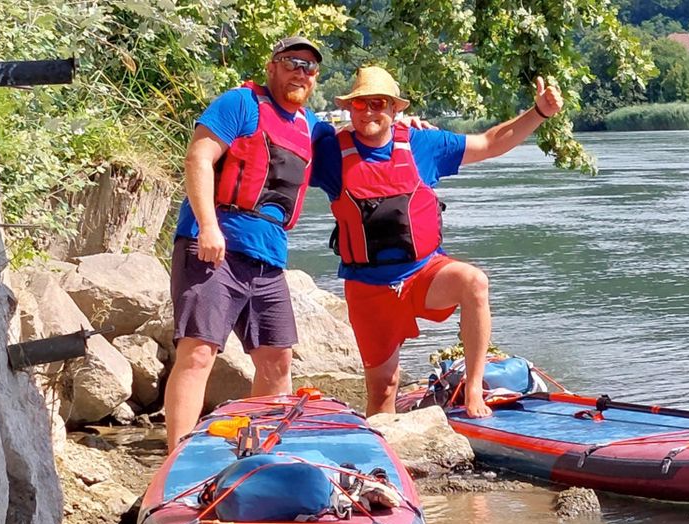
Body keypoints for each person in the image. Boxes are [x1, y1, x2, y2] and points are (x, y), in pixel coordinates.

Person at [311, 66, 564, 418]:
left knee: (473, 281)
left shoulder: (422, 144)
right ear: (349, 109)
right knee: (383, 388)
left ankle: (474, 389)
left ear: (394, 109)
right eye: (359, 105)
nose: (368, 111)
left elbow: (490, 143)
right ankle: (384, 458)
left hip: (423, 273)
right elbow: (288, 137)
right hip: (368, 287)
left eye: (378, 103)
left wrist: (539, 113)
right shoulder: (329, 154)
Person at [163, 36, 326, 452]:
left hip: (268, 258)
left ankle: (261, 454)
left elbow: (367, 136)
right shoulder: (240, 104)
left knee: (277, 361)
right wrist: (208, 227)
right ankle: (177, 455)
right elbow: (198, 158)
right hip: (215, 247)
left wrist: (408, 124)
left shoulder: (310, 127)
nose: (300, 73)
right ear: (272, 66)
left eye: (308, 68)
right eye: (292, 62)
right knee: (198, 352)